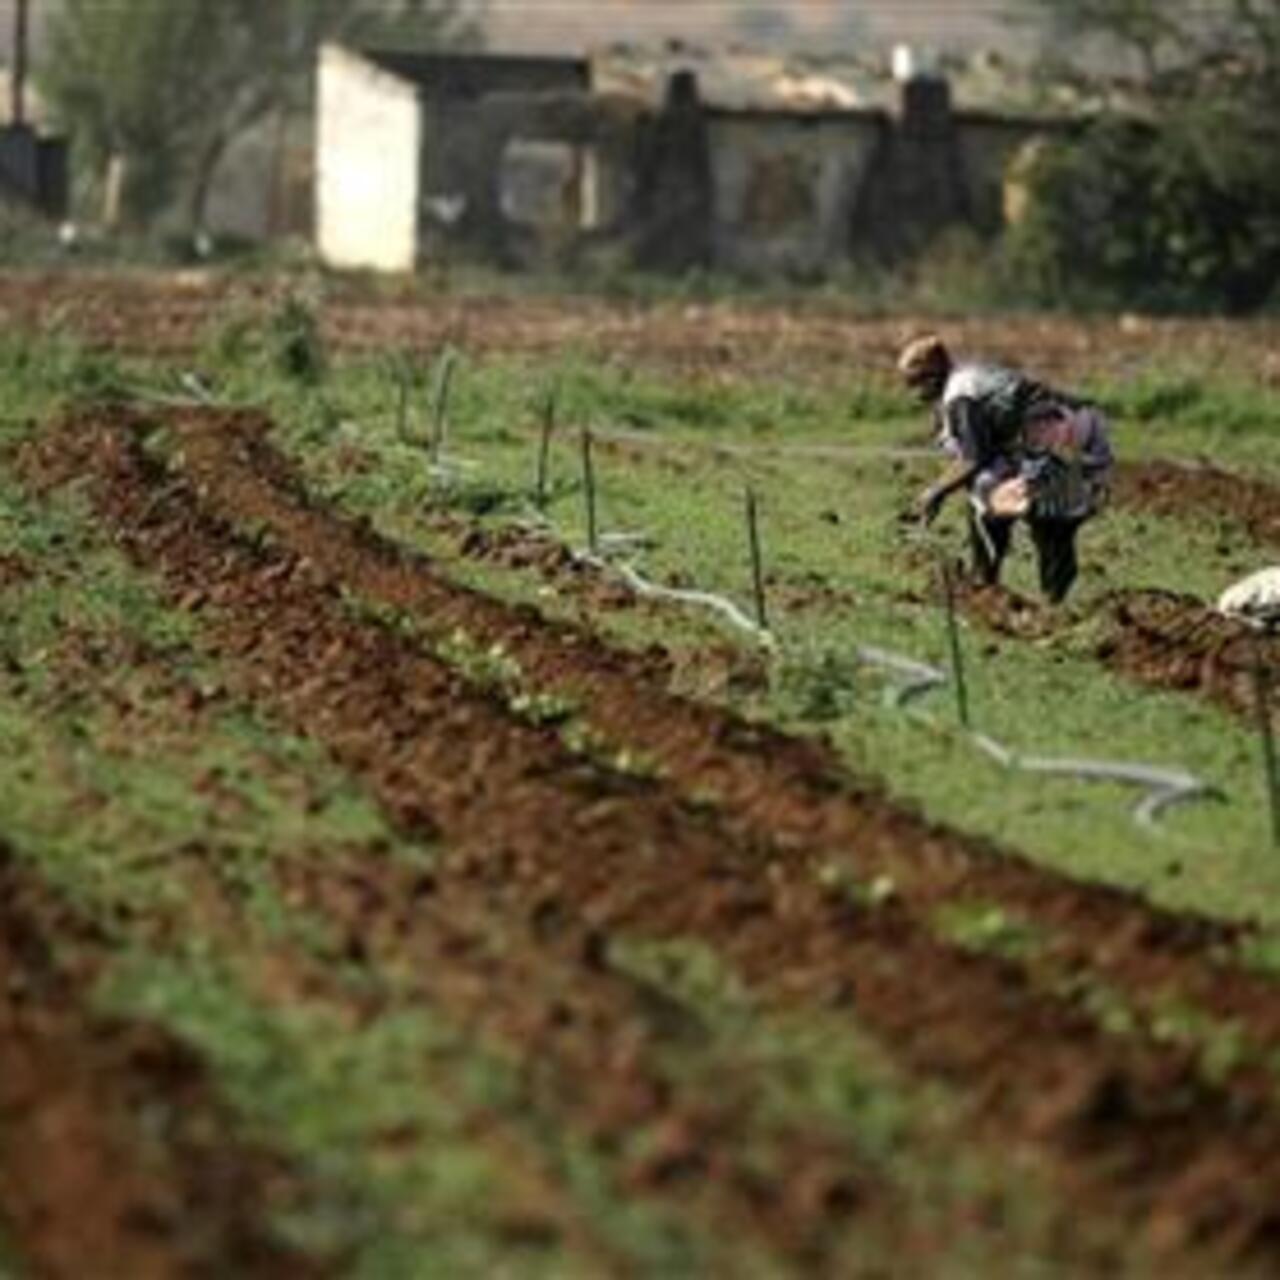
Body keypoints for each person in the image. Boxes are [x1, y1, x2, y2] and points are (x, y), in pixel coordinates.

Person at [897, 334, 1113, 603]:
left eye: (913, 384)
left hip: (1060, 437)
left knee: (994, 498)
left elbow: (973, 458)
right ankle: (1048, 600)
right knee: (1045, 520)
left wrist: (935, 492)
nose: (913, 394)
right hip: (1077, 428)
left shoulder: (960, 396)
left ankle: (988, 586)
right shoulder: (967, 378)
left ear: (930, 378)